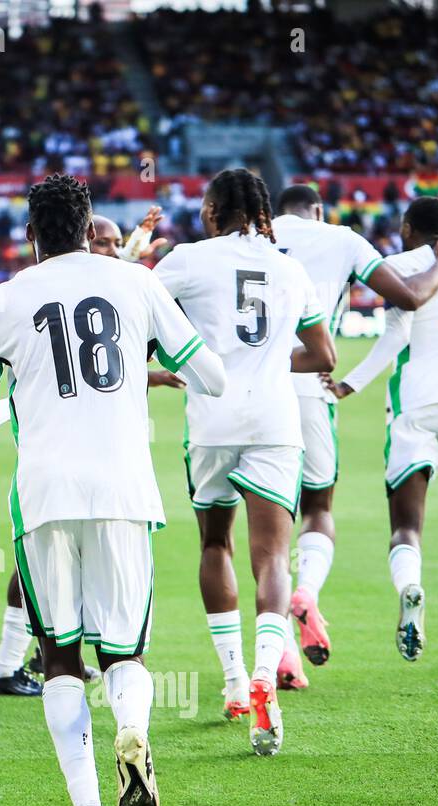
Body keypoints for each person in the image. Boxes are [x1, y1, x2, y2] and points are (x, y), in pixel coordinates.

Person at [0, 173, 226, 806]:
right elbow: (212, 375)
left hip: (44, 497)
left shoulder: (8, 299)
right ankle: (131, 728)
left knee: (61, 662)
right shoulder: (135, 283)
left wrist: (19, 390)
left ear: (29, 235)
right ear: (88, 226)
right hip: (125, 490)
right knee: (125, 653)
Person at [153, 168, 334, 757]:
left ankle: (233, 682)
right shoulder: (290, 267)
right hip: (274, 422)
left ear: (210, 211)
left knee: (214, 546)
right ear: (261, 212)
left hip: (211, 417)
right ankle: (264, 677)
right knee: (273, 556)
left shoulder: (187, 259)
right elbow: (323, 354)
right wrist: (272, 361)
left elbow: (144, 324)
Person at [270, 185, 438, 688]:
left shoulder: (256, 236)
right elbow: (409, 295)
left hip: (252, 393)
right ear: (318, 211)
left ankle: (281, 656)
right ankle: (307, 591)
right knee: (318, 509)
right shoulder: (342, 239)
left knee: (265, 532)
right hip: (311, 389)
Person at [327, 197, 438, 670]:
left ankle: (409, 589)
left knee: (405, 525)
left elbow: (397, 336)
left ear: (406, 227)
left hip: (414, 399)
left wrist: (350, 383)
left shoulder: (397, 264)